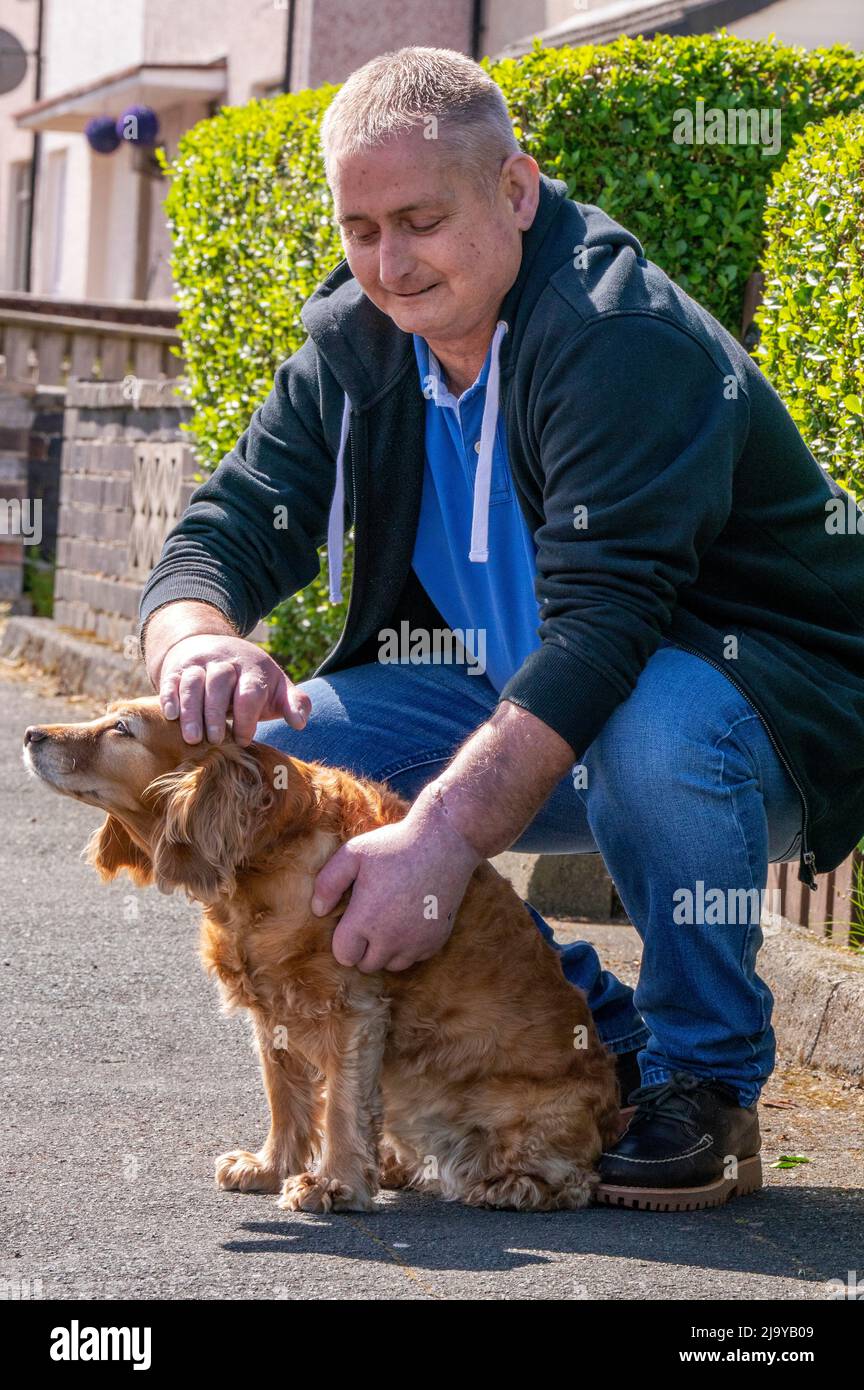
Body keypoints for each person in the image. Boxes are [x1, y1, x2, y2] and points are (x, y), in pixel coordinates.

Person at [136, 46, 864, 1210]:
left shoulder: (619, 339)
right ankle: (594, 1028)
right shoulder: (357, 338)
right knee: (305, 760)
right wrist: (198, 640)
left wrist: (437, 848)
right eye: (361, 229)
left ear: (516, 192)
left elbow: (602, 636)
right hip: (511, 689)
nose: (388, 262)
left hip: (753, 713)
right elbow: (221, 529)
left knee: (648, 720)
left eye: (420, 219)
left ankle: (706, 1083)